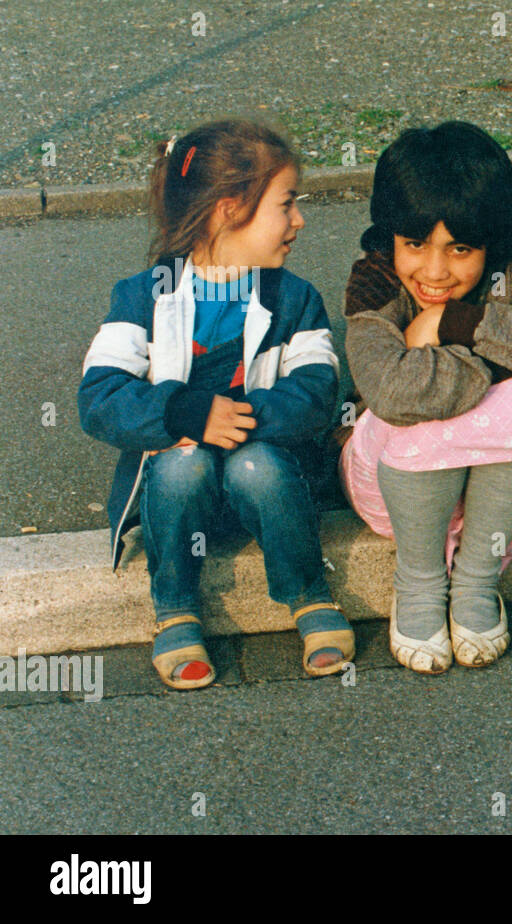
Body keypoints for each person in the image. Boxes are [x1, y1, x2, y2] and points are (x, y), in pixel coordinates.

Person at [78, 119, 350, 689]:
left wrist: (240, 422)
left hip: (265, 484)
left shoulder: (295, 298)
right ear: (229, 210)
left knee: (256, 463)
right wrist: (182, 414)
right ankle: (175, 606)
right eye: (287, 203)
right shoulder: (142, 295)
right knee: (181, 462)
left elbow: (318, 391)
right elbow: (98, 397)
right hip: (179, 491)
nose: (299, 220)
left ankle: (307, 591)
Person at [341, 122, 512, 673]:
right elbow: (391, 391)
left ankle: (478, 580)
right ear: (392, 236)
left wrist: (450, 321)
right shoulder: (375, 279)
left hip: (495, 492)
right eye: (415, 244)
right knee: (455, 407)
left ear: (489, 239)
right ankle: (418, 581)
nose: (434, 272)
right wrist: (510, 355)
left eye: (459, 249)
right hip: (390, 483)